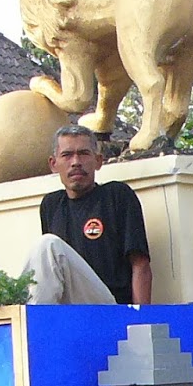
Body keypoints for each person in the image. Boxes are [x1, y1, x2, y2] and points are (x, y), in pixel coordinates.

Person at [24, 125, 152, 305]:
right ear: (53, 164)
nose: (76, 162)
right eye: (67, 155)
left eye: (83, 153)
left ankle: (34, 324)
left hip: (108, 307)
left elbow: (140, 264)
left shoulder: (117, 195)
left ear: (98, 161)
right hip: (70, 312)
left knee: (48, 244)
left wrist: (140, 320)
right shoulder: (51, 205)